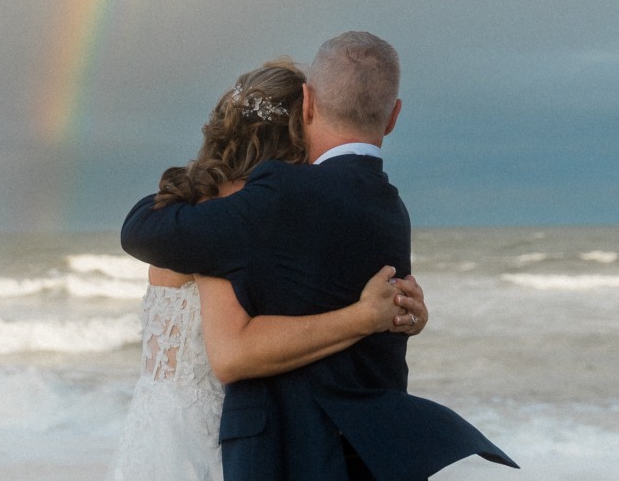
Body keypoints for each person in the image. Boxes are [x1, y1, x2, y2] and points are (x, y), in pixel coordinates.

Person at [122, 33, 517, 480]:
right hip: (357, 452)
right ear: (393, 116)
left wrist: (190, 188)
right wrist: (378, 317)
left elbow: (143, 232)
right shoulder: (390, 208)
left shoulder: (258, 209)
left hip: (269, 450)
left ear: (310, 105)